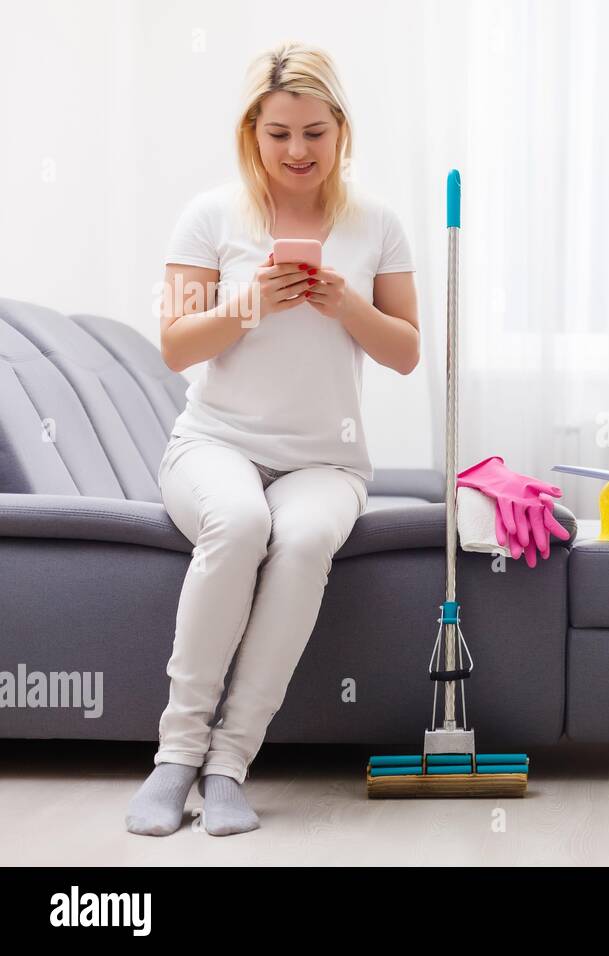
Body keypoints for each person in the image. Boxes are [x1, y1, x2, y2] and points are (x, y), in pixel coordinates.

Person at [125, 41, 419, 836]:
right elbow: (177, 346)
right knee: (241, 521)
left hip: (326, 461)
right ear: (253, 130)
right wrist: (249, 303)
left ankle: (229, 765)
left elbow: (405, 352)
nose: (297, 151)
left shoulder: (378, 224)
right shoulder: (212, 216)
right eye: (279, 132)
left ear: (341, 131)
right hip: (213, 446)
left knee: (300, 542)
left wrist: (343, 305)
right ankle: (175, 756)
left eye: (314, 133)